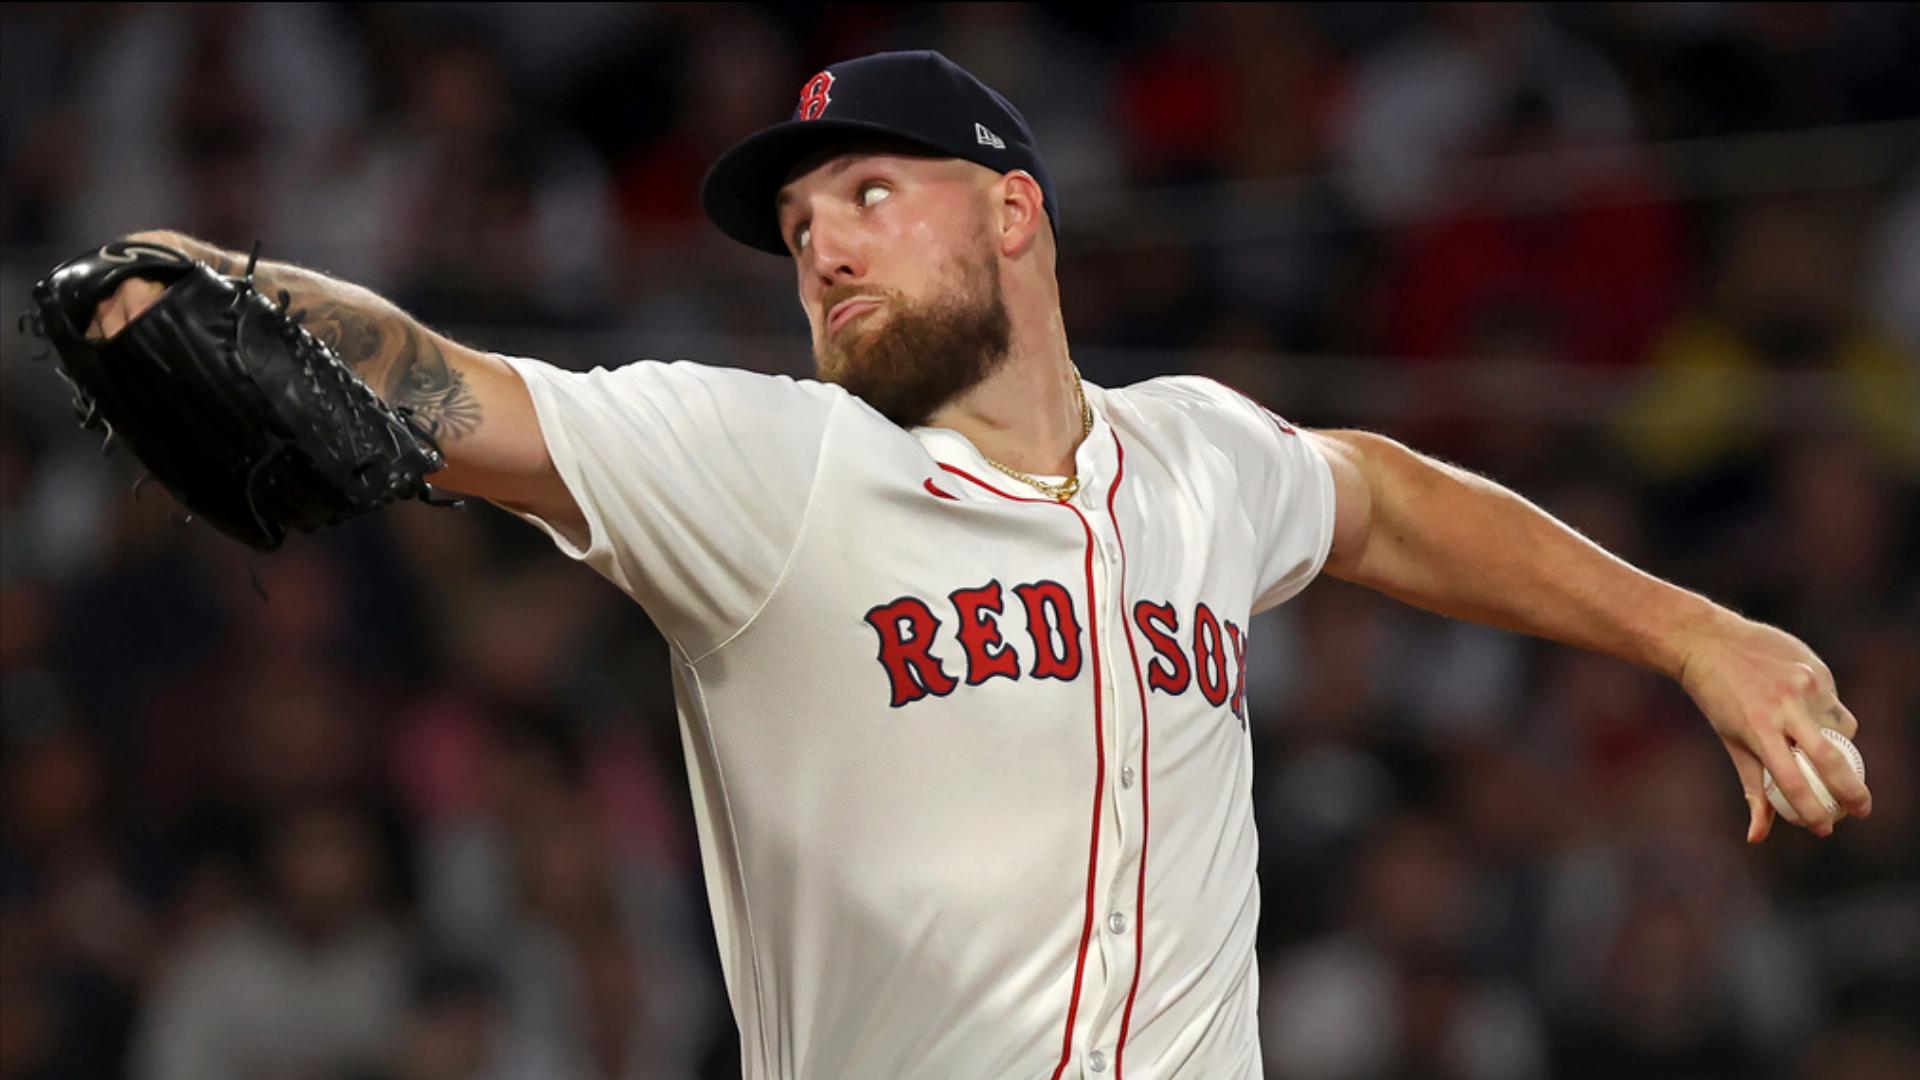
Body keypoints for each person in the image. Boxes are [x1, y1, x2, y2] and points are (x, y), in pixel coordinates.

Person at [85, 50, 1870, 1080]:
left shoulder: (1195, 458)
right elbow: (454, 389)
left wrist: (1697, 633)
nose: (821, 248)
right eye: (796, 228)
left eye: (867, 193)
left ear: (1014, 207)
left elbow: (1388, 498)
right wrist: (196, 276)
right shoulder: (773, 467)